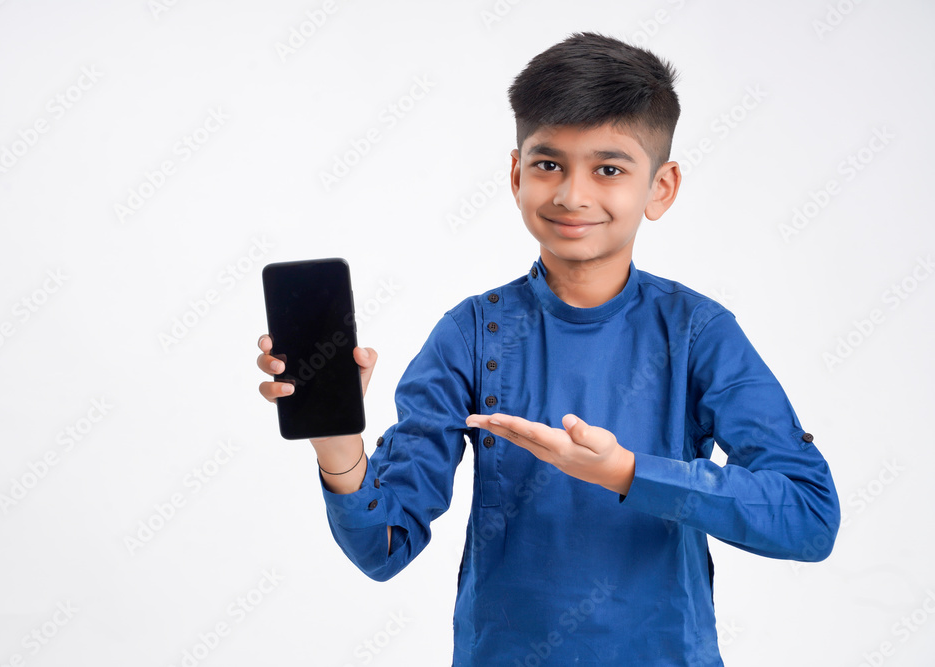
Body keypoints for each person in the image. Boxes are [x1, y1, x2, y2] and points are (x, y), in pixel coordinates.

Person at [256, 31, 839, 666]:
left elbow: (809, 518)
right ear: (515, 173)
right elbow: (382, 548)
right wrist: (336, 441)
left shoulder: (698, 332)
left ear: (661, 187)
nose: (571, 194)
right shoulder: (472, 334)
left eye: (609, 169)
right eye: (548, 163)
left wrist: (624, 473)